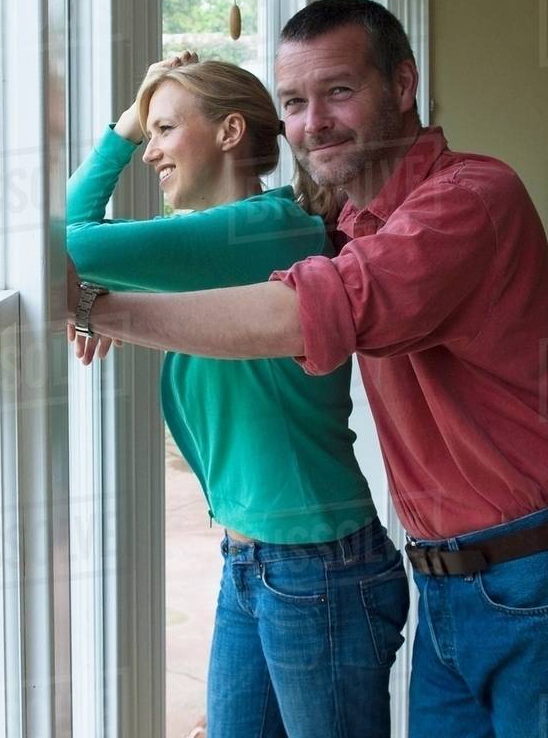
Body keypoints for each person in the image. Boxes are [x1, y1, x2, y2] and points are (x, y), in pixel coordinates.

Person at [68, 0, 548, 738]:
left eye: (339, 91)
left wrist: (98, 308)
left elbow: (310, 311)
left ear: (402, 85)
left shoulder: (468, 199)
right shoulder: (344, 225)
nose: (313, 121)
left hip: (542, 574)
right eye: (293, 102)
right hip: (444, 578)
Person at [67, 52, 409, 738]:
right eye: (146, 135)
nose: (148, 152)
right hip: (258, 563)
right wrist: (134, 119)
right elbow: (71, 248)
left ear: (228, 132)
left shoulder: (258, 230)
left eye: (163, 130)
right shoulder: (221, 249)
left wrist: (122, 131)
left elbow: (62, 244)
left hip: (315, 568)